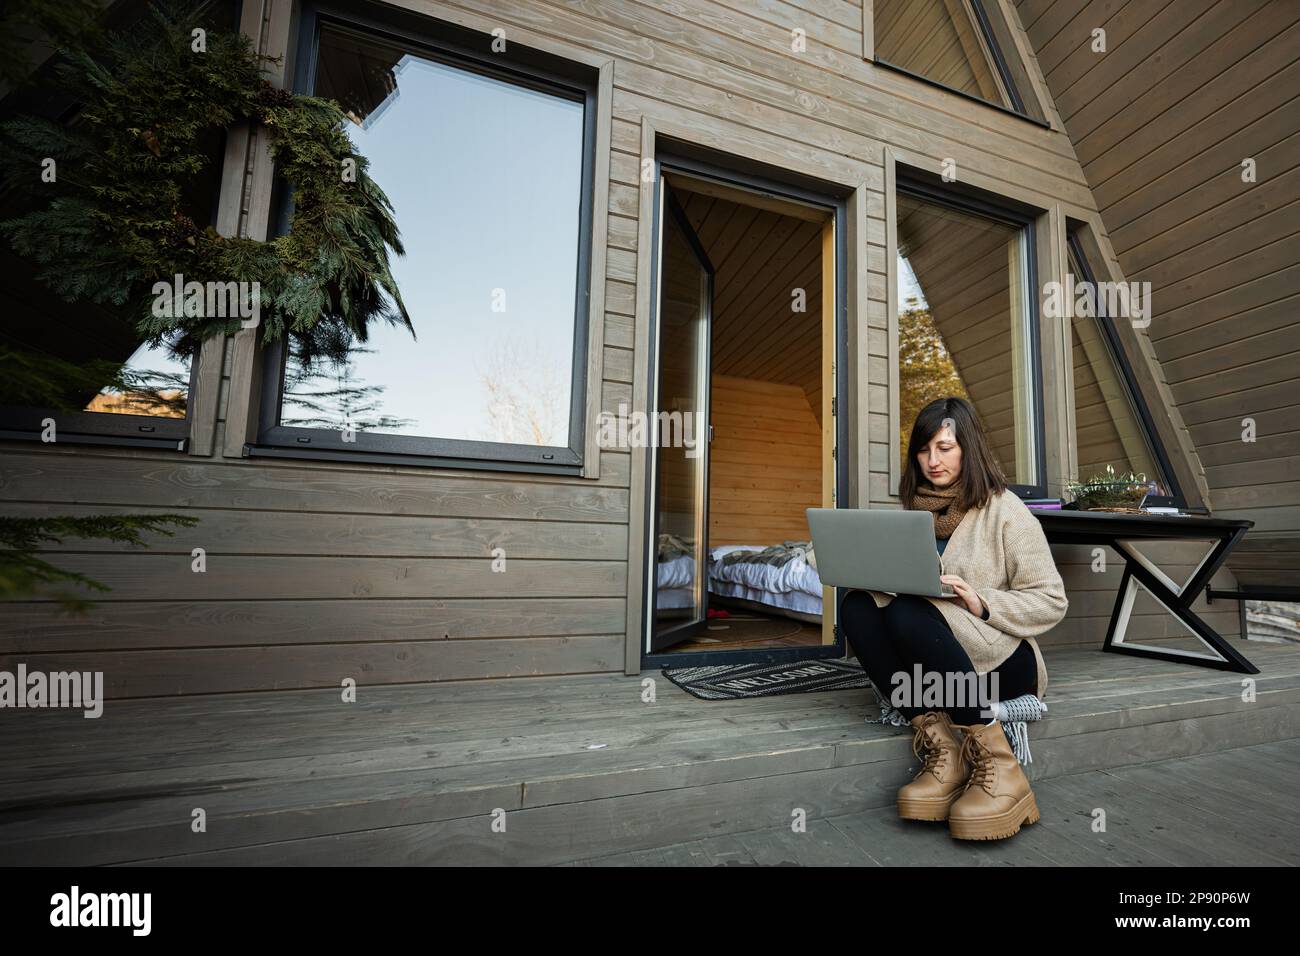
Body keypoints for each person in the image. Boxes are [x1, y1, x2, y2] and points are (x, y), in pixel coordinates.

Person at [840, 396, 1068, 841]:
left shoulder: (1007, 512)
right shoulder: (911, 515)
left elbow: (1051, 600)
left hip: (1001, 660)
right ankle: (943, 747)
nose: (932, 461)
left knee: (908, 611)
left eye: (944, 448)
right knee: (857, 604)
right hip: (934, 657)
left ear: (969, 448)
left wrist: (982, 602)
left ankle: (1001, 766)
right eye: (924, 451)